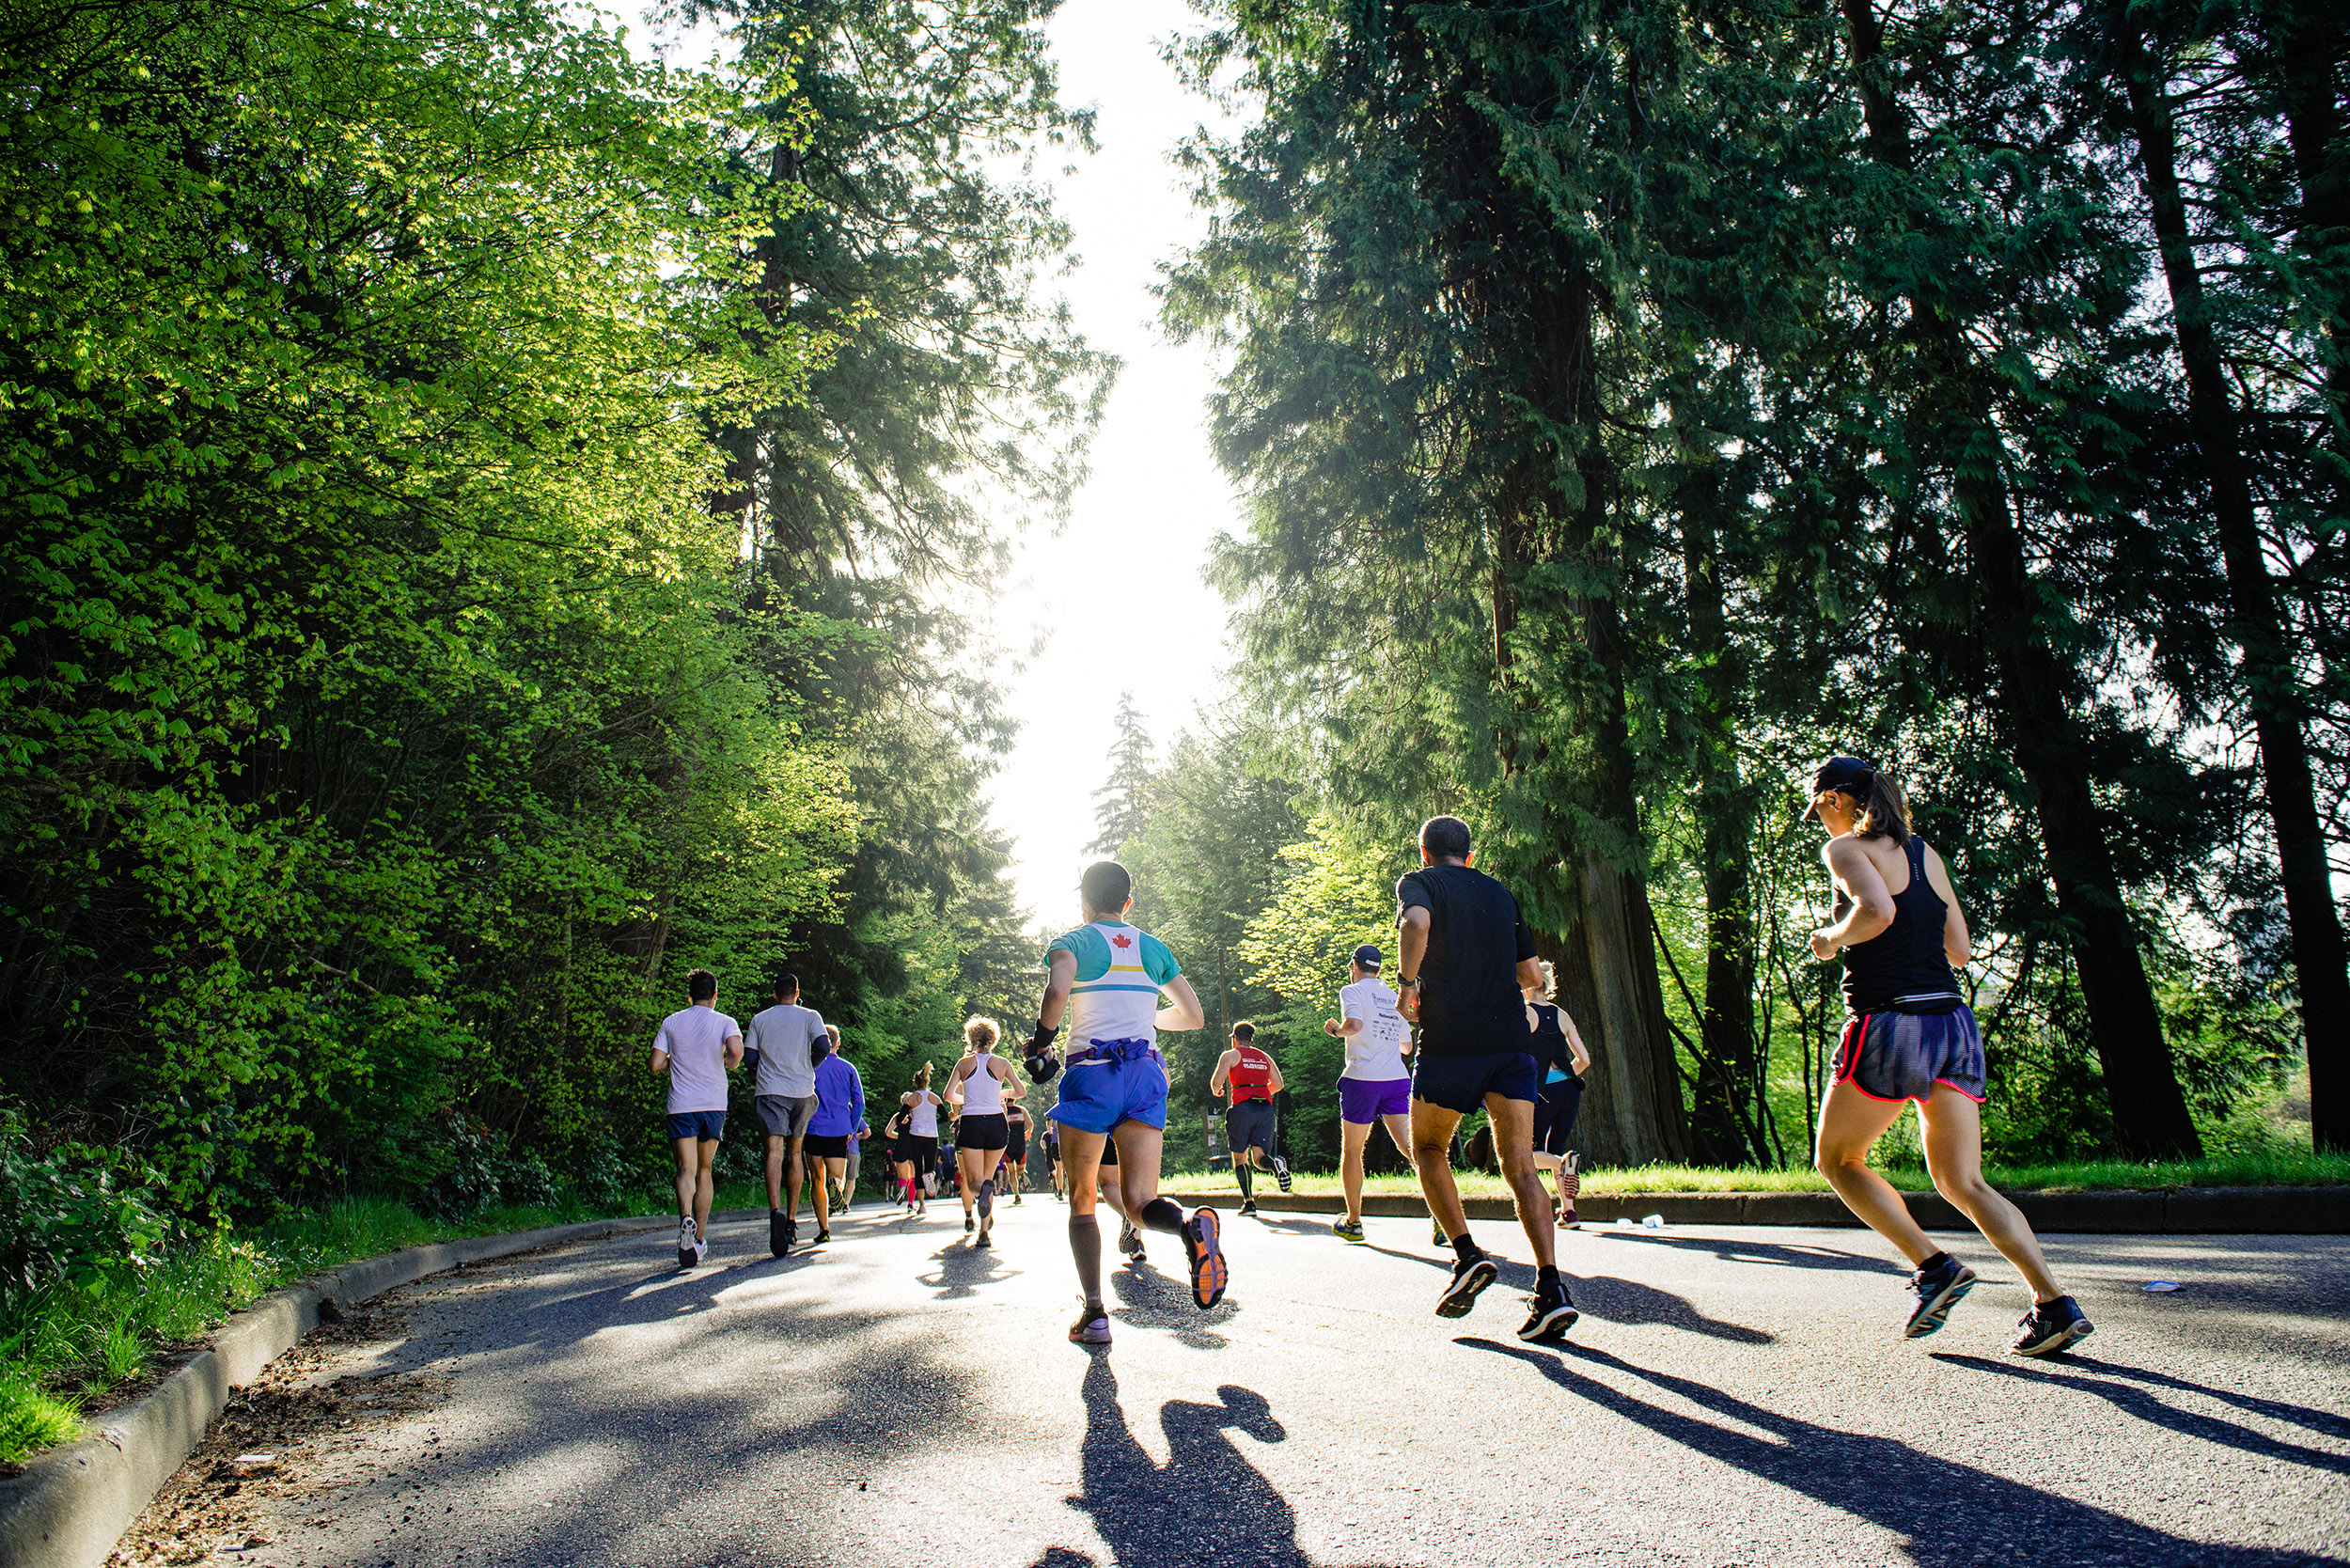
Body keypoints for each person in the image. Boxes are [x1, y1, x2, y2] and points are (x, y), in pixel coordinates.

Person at [1803, 757, 2094, 1355]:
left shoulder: (1846, 852)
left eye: (1818, 808)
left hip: (1890, 1023)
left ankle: (1934, 1268)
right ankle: (2053, 1303)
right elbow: (1959, 949)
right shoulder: (1923, 853)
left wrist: (1832, 940)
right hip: (1952, 1023)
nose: (1818, 824)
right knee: (1963, 1181)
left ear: (1836, 799)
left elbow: (1877, 912)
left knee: (1839, 1160)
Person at [1027, 859, 1227, 1344]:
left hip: (1092, 1075)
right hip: (1143, 1074)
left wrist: (1040, 1042)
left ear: (1084, 902)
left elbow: (1057, 990)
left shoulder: (1072, 941)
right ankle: (1186, 1227)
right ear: (1128, 903)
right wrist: (1148, 1021)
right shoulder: (1154, 949)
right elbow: (1194, 1016)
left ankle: (1096, 1314)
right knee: (1140, 1202)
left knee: (1082, 1200)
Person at [1396, 815, 1577, 1342]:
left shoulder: (1420, 882)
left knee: (1429, 1148)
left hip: (1451, 1038)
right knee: (1521, 1166)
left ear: (1425, 852)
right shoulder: (1501, 894)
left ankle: (1467, 1256)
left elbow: (1414, 925)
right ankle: (1550, 1289)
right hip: (1509, 1045)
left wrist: (1409, 985)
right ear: (1469, 857)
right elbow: (1532, 976)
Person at [649, 968, 743, 1269]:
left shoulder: (672, 1022)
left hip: (681, 1105)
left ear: (688, 994)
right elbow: (736, 1051)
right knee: (704, 1169)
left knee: (685, 1169)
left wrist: (675, 1059)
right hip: (713, 1104)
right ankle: (698, 1240)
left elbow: (655, 1064)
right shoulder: (725, 1021)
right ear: (715, 995)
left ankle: (685, 1217)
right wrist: (728, 1061)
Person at [1323, 944, 1415, 1243]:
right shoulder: (1393, 996)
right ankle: (1441, 1218)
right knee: (1414, 1149)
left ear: (1355, 965)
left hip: (1362, 1080)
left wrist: (1336, 1031)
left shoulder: (1353, 991)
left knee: (1352, 1150)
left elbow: (1355, 1024)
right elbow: (1406, 1047)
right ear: (1379, 969)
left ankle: (1353, 1222)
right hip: (1397, 1080)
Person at [744, 973, 829, 1258]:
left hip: (770, 1091)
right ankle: (792, 1221)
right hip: (802, 1091)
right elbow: (823, 1047)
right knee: (795, 1154)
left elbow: (749, 1058)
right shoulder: (810, 1016)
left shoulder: (760, 1019)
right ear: (797, 991)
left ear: (774, 993)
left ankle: (775, 1211)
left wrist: (765, 1074)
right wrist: (808, 1066)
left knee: (774, 1153)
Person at [1524, 962, 1592, 1229]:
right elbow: (1584, 1059)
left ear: (1528, 985)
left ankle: (1564, 1163)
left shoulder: (1526, 1013)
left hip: (1543, 1091)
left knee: (1532, 1154)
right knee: (1556, 1148)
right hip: (1570, 1089)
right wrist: (1564, 1078)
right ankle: (1569, 1212)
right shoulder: (1561, 1014)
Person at [948, 1017, 1023, 1247]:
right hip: (997, 1123)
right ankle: (984, 1234)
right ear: (994, 1039)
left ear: (970, 1038)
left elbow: (949, 1096)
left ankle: (985, 1197)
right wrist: (998, 1095)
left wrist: (970, 1098)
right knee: (987, 1177)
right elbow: (1019, 1091)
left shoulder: (963, 1064)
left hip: (971, 1122)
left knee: (974, 1183)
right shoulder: (1002, 1063)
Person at [1208, 1023, 1289, 1216]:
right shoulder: (1264, 1057)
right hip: (1265, 1110)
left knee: (1240, 1157)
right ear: (1251, 1039)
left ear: (1235, 1037)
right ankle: (1276, 1164)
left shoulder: (1230, 1055)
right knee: (1260, 1159)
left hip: (1242, 1110)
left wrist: (1216, 1090)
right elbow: (1278, 1084)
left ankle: (1249, 1203)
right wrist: (1260, 1092)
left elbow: (1216, 1082)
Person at [806, 1027, 867, 1245]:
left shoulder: (810, 1065)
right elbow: (859, 1103)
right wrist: (851, 1128)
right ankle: (836, 1186)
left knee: (816, 1180)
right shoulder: (848, 1068)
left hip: (812, 1127)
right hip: (840, 1130)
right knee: (836, 1177)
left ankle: (823, 1228)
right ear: (837, 1044)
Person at [898, 1064, 944, 1212]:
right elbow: (944, 1116)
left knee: (918, 1169)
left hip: (916, 1136)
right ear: (927, 1082)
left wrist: (904, 1120)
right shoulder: (934, 1098)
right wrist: (933, 1122)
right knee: (929, 1167)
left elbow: (900, 1119)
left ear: (915, 1083)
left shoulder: (911, 1099)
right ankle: (930, 1174)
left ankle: (922, 1205)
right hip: (932, 1136)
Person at [1004, 1098, 1033, 1203]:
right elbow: (1031, 1124)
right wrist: (1028, 1132)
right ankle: (1022, 1174)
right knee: (1020, 1170)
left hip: (1008, 1145)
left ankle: (1016, 1195)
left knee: (1011, 1172)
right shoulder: (1022, 1110)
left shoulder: (1003, 1111)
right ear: (1014, 1099)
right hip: (1020, 1143)